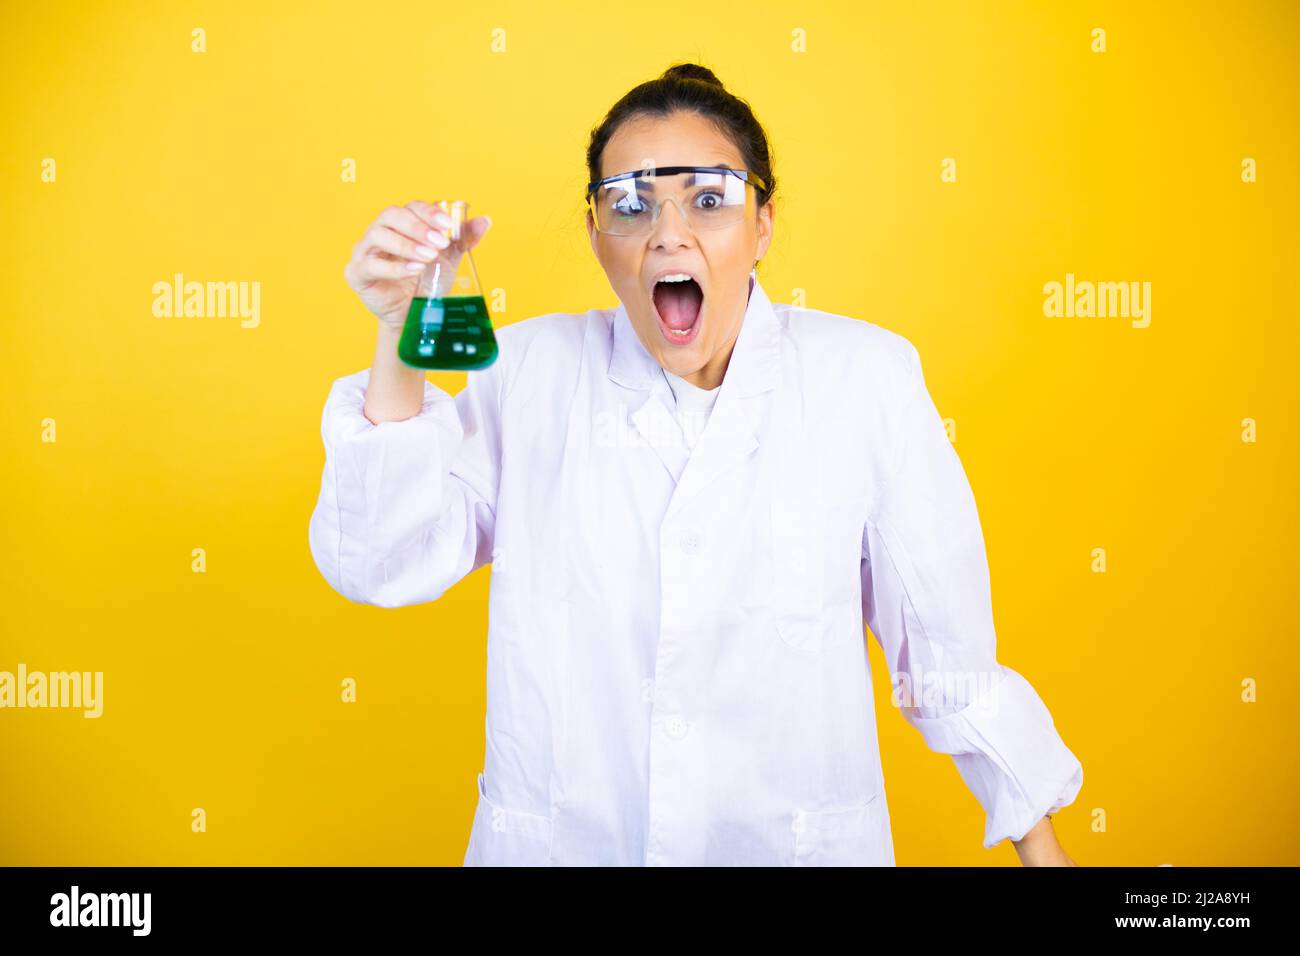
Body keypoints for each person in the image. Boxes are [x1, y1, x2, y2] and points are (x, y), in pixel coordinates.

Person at [308, 63, 1083, 866]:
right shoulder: (528, 373)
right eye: (632, 206)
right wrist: (402, 331)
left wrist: (1045, 852)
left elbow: (944, 655)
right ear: (597, 236)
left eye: (709, 200)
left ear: (764, 226)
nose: (667, 233)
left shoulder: (864, 377)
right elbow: (381, 562)